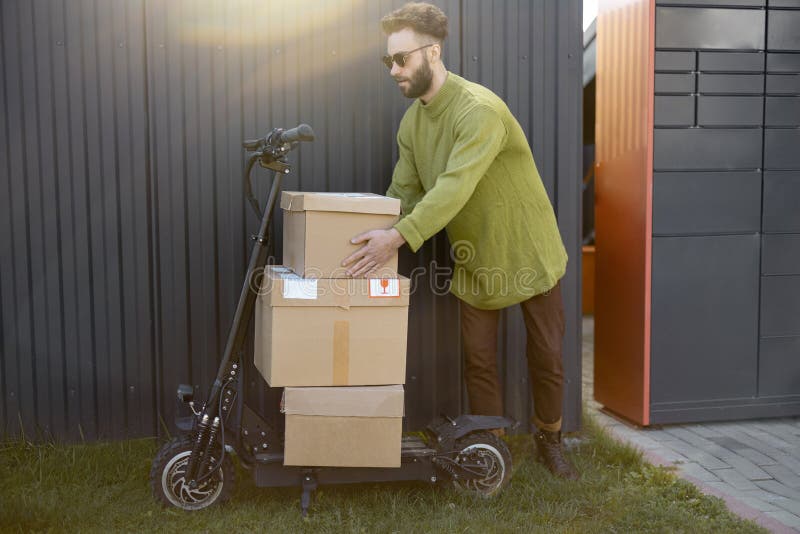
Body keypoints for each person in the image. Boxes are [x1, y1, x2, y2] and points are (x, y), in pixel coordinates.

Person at [341, 2, 577, 480]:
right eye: (387, 61)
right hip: (476, 256)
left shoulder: (479, 110)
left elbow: (453, 186)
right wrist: (370, 231)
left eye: (401, 59)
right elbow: (403, 193)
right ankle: (493, 451)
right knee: (479, 360)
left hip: (528, 248)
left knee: (547, 356)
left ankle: (551, 439)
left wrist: (398, 239)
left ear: (432, 52)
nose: (393, 70)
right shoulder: (412, 124)